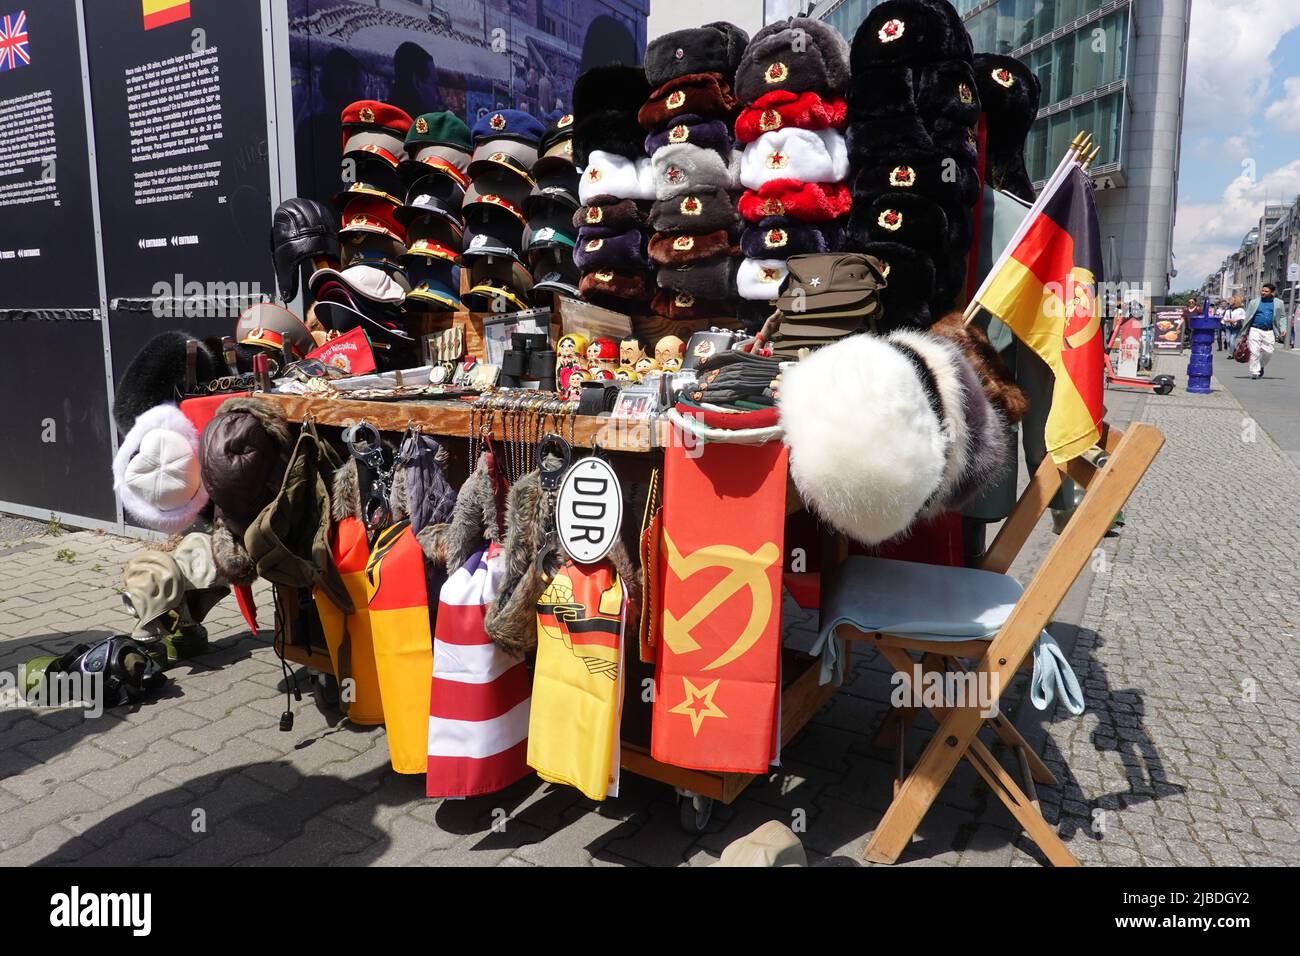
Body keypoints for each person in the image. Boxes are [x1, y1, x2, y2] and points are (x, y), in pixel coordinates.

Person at [1243, 283, 1283, 379]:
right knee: (1254, 352)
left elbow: (1282, 316)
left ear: (1272, 292)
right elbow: (1248, 316)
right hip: (1255, 329)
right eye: (1262, 290)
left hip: (1269, 331)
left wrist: (1283, 329)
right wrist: (1245, 331)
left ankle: (1260, 366)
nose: (1263, 292)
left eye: (1266, 291)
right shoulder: (1254, 302)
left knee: (1269, 352)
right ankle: (1254, 372)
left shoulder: (1278, 303)